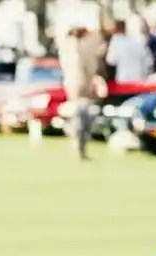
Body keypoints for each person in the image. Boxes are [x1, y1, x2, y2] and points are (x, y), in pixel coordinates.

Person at [57, 21, 104, 161]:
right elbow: (90, 66)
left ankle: (78, 144)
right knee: (82, 116)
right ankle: (80, 146)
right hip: (81, 84)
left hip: (72, 84)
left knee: (78, 114)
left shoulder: (66, 46)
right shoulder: (81, 48)